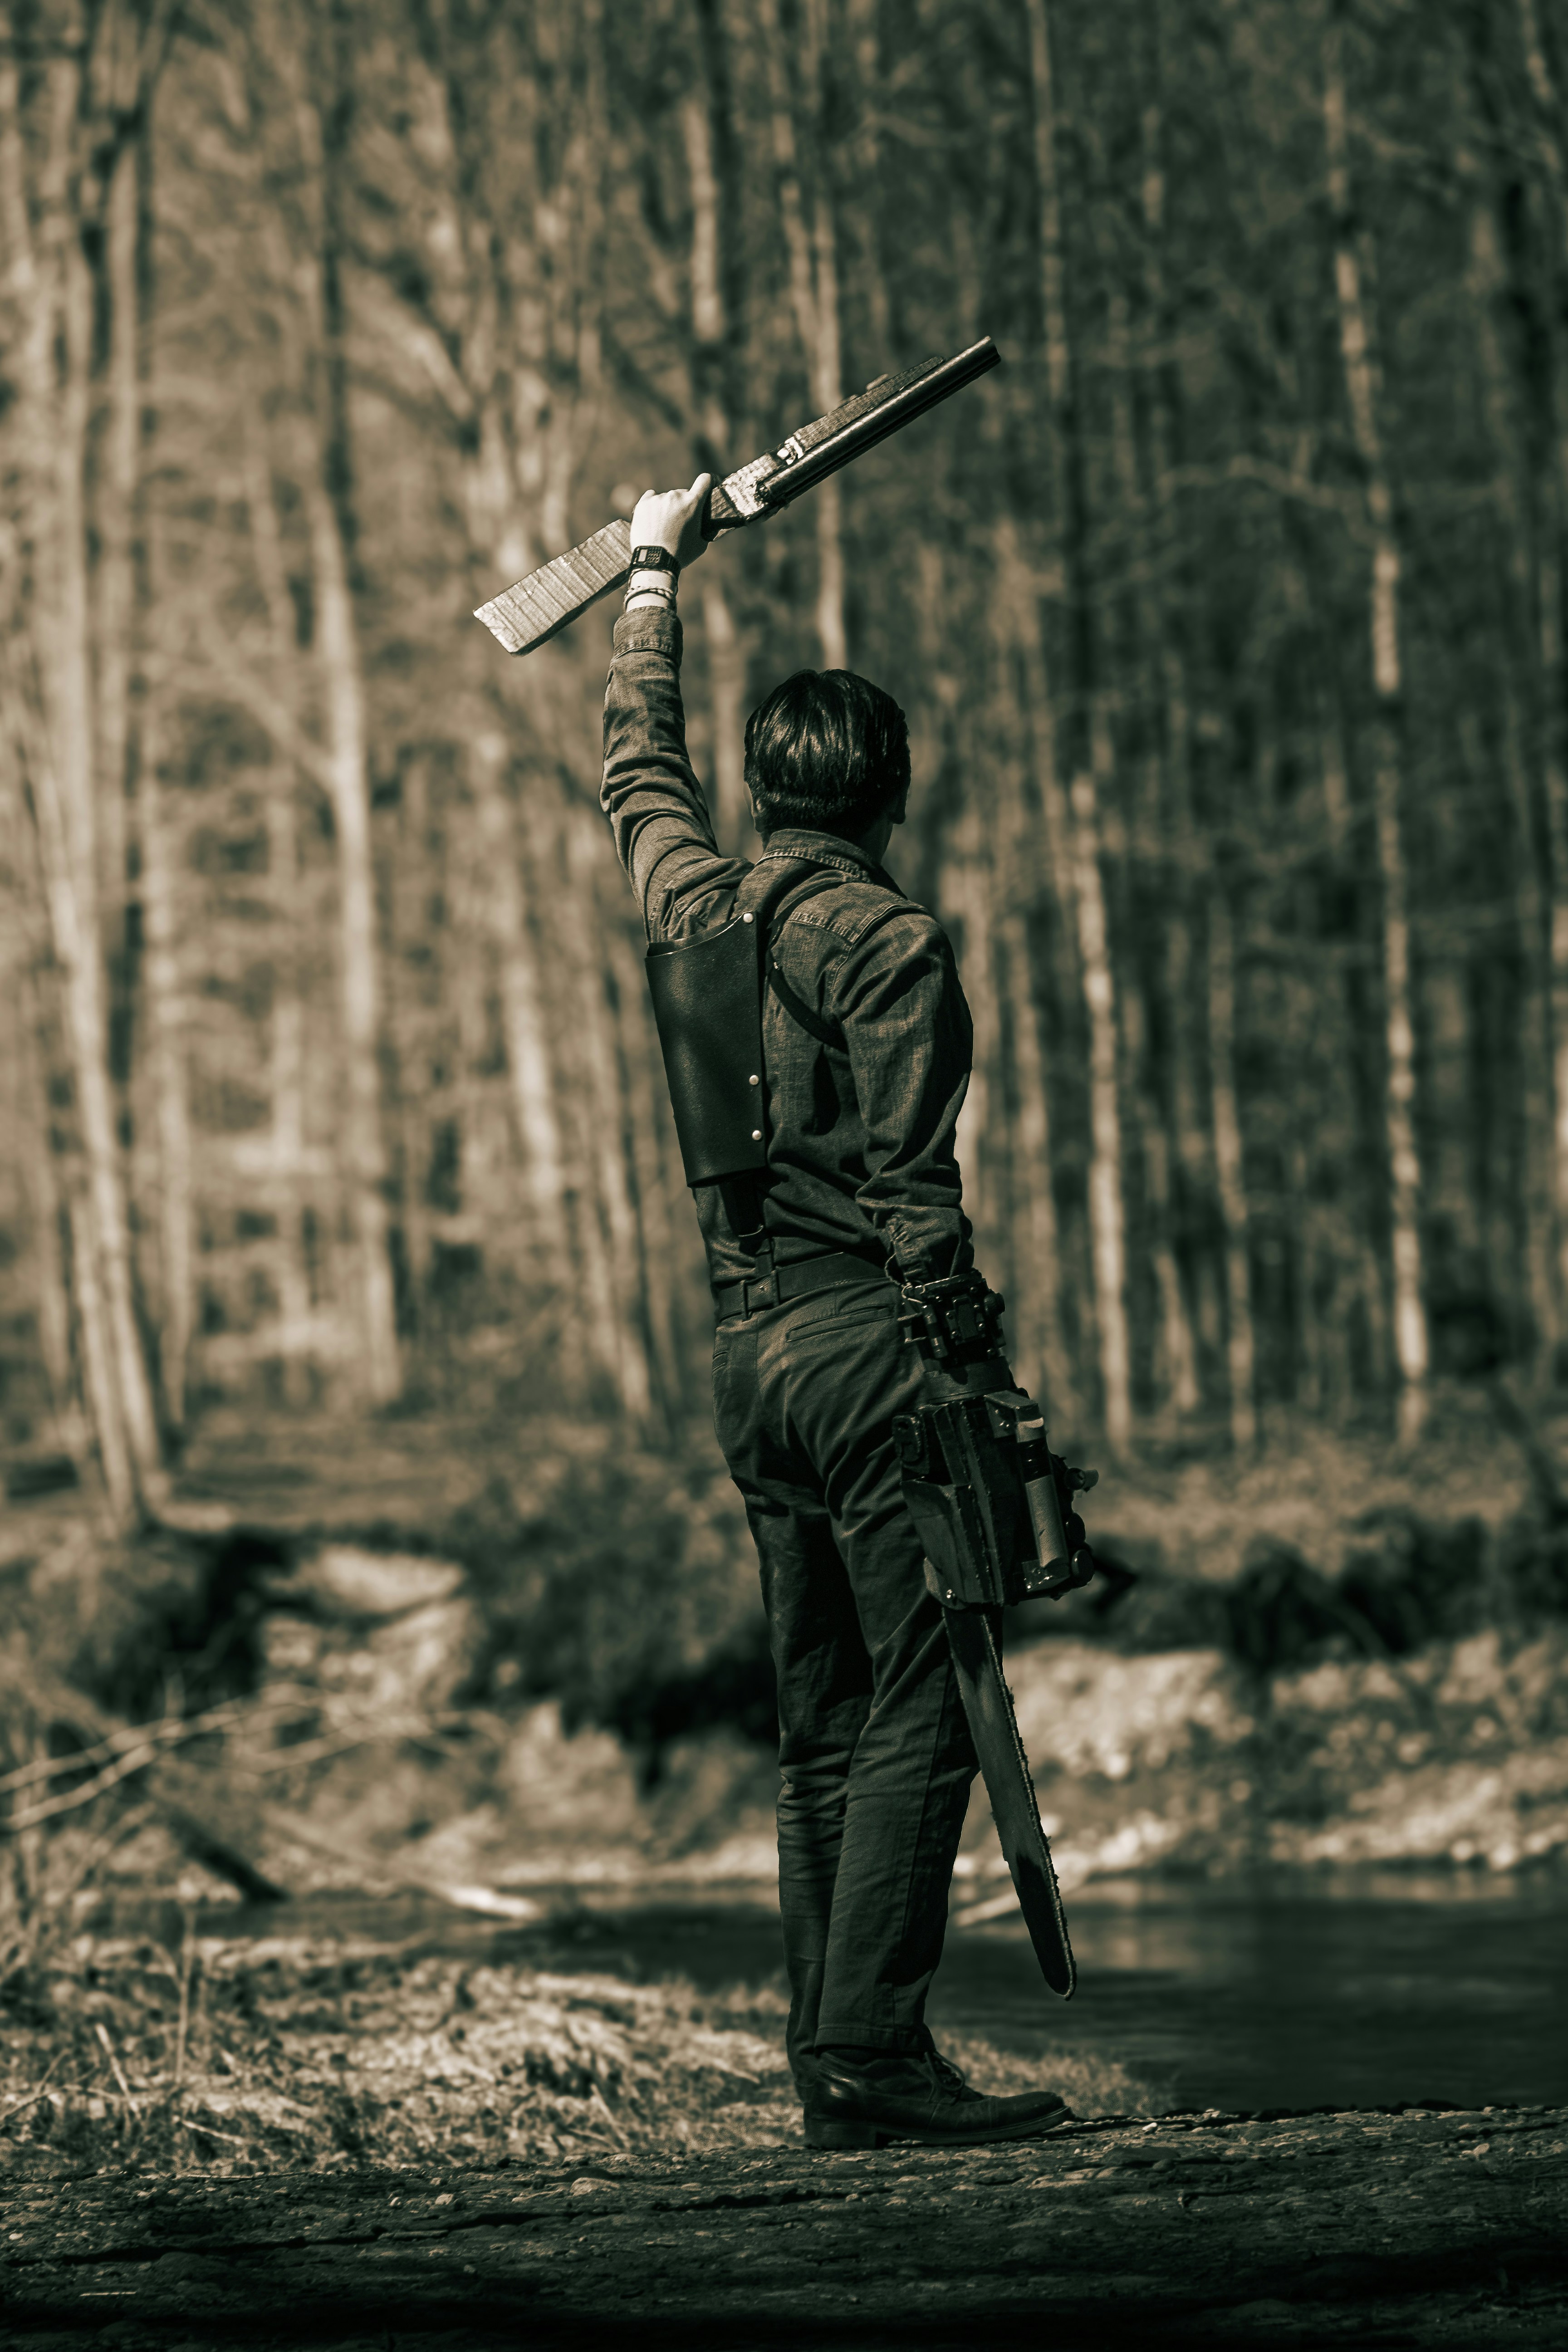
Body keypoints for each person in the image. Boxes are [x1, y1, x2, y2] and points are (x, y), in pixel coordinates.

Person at [600, 472, 1068, 2150]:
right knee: (930, 1689)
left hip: (747, 1363)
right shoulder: (892, 944)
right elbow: (915, 1191)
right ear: (889, 793)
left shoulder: (693, 903)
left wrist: (652, 572)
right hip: (870, 1349)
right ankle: (870, 2055)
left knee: (821, 1723)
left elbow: (631, 772)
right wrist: (984, 1387)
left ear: (765, 788)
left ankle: (835, 2058)